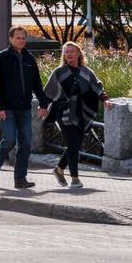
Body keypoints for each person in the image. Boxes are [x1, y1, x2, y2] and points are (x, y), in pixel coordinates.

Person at [0, 25, 51, 189]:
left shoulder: (29, 58)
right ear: (10, 39)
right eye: (18, 38)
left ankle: (20, 178)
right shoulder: (2, 58)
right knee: (9, 140)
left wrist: (43, 103)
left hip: (25, 108)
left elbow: (37, 84)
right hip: (7, 108)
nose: (21, 41)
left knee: (26, 143)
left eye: (23, 38)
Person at [43, 41, 110, 188]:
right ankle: (75, 178)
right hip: (63, 112)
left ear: (79, 53)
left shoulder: (86, 72)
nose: (69, 54)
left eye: (72, 51)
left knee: (76, 145)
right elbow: (48, 92)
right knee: (73, 143)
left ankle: (59, 169)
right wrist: (43, 106)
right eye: (66, 52)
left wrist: (105, 99)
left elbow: (96, 86)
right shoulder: (59, 72)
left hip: (81, 112)